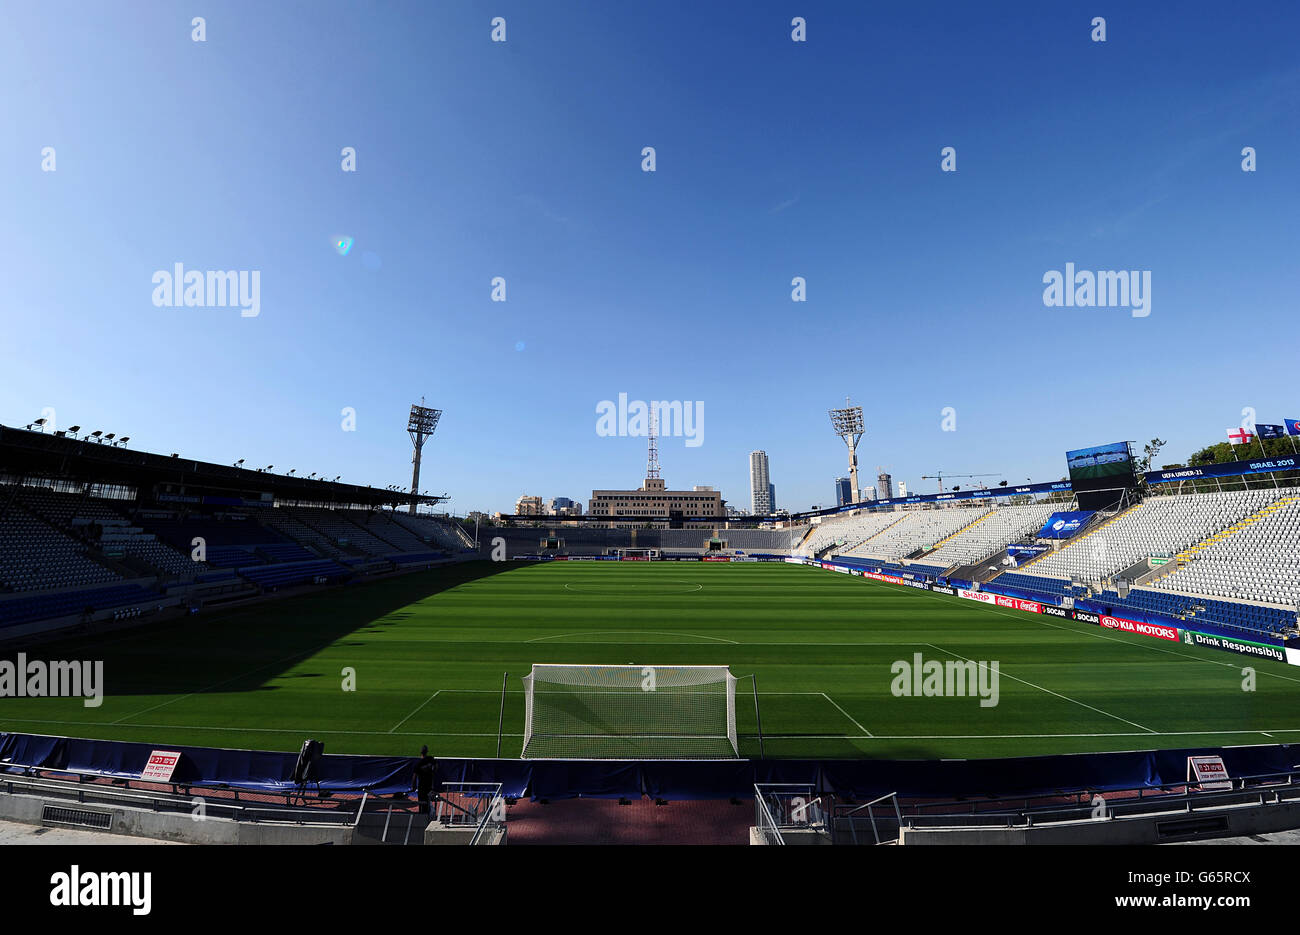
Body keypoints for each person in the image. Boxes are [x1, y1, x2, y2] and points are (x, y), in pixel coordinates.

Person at [411, 745, 437, 816]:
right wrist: (432, 772)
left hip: (422, 785)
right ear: (427, 752)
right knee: (428, 800)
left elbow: (414, 776)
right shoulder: (431, 759)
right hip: (429, 784)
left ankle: (422, 814)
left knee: (422, 801)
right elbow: (435, 767)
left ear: (421, 752)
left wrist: (413, 786)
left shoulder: (418, 764)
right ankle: (427, 814)